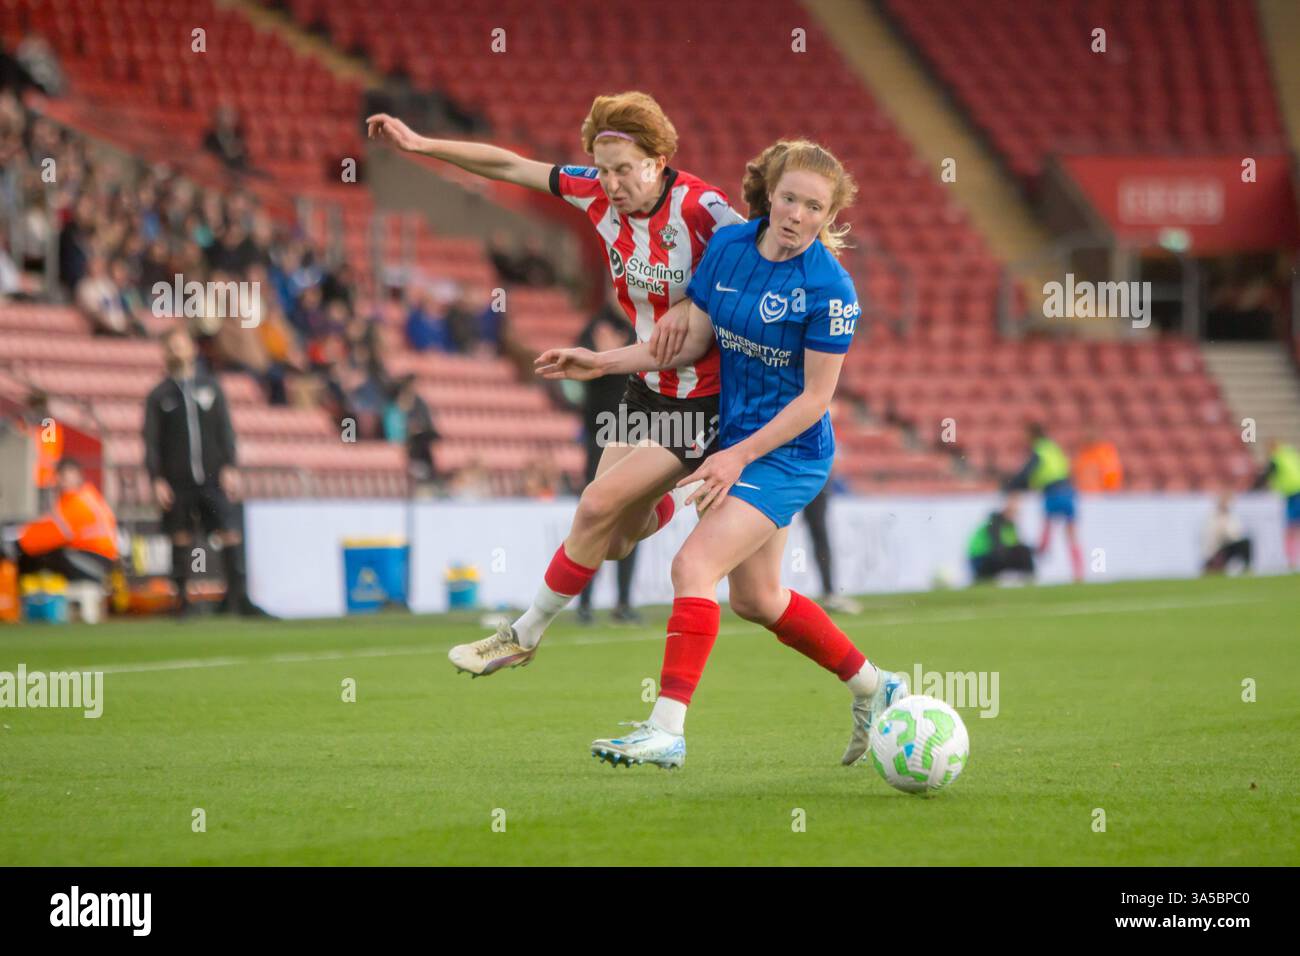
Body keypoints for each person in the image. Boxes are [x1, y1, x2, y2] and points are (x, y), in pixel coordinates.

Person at [536, 139, 909, 770]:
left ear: (828, 216)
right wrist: (603, 361)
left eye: (813, 207)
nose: (796, 214)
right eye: (788, 198)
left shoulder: (831, 289)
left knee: (692, 567)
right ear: (769, 195)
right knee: (757, 600)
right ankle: (877, 687)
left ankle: (667, 730)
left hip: (788, 455)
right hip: (735, 439)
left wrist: (736, 458)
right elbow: (684, 341)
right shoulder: (731, 250)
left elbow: (816, 398)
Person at [369, 91, 746, 674]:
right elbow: (510, 166)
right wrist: (421, 145)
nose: (612, 182)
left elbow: (758, 253)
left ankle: (522, 632)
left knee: (594, 505)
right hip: (646, 386)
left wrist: (695, 301)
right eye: (603, 169)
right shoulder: (595, 193)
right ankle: (668, 498)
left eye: (624, 169)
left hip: (706, 398)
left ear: (659, 158)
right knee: (616, 538)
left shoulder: (704, 207)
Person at [143, 326, 269, 617]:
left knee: (229, 532)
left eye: (180, 345)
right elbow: (150, 441)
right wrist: (156, 478)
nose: (176, 351)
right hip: (177, 480)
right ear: (164, 352)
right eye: (171, 346)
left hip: (213, 476)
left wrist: (230, 466)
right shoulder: (159, 396)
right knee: (181, 535)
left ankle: (238, 599)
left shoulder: (210, 387)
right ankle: (183, 602)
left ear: (192, 349)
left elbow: (225, 431)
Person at [574, 297, 641, 624]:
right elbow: (580, 370)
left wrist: (611, 354)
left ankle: (623, 602)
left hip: (636, 433)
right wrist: (605, 357)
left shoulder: (640, 325)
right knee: (595, 516)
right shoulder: (594, 327)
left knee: (632, 517)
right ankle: (584, 602)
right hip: (601, 435)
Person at [4, 459, 118, 585]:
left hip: (95, 562)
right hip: (99, 561)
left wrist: (17, 539)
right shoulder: (86, 497)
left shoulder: (77, 503)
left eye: (64, 476)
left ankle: (26, 598)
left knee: (39, 558)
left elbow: (47, 535)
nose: (61, 481)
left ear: (78, 476)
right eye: (60, 476)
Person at [1007, 422, 1083, 582]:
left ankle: (1032, 570)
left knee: (1046, 535)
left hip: (1052, 493)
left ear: (1032, 435)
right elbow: (1066, 468)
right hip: (1068, 491)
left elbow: (1028, 471)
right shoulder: (1053, 448)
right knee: (1071, 535)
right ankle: (1078, 573)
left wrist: (1012, 484)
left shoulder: (1039, 450)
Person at [1252, 438, 1300, 570]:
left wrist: (1253, 489)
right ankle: (1293, 560)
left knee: (1291, 528)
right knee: (1294, 528)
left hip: (1294, 494)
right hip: (1295, 493)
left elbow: (1265, 476)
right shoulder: (1290, 453)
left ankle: (1292, 561)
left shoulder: (1276, 459)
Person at [968, 495, 1035, 583]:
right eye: (1013, 511)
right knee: (1023, 551)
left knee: (1024, 551)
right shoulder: (995, 522)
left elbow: (1014, 544)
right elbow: (998, 547)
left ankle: (1029, 579)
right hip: (981, 558)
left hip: (992, 556)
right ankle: (1029, 578)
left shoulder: (1010, 526)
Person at [1202, 491, 1252, 575]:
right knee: (1244, 544)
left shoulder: (1229, 516)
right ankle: (1215, 565)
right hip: (1216, 550)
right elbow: (1214, 538)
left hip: (1225, 546)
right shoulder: (1214, 517)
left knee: (1245, 542)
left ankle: (1246, 567)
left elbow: (1235, 534)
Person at [1073, 427, 1122, 493]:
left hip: (1100, 496)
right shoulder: (1082, 453)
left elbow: (1111, 475)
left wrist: (1109, 493)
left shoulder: (1104, 452)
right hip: (1084, 495)